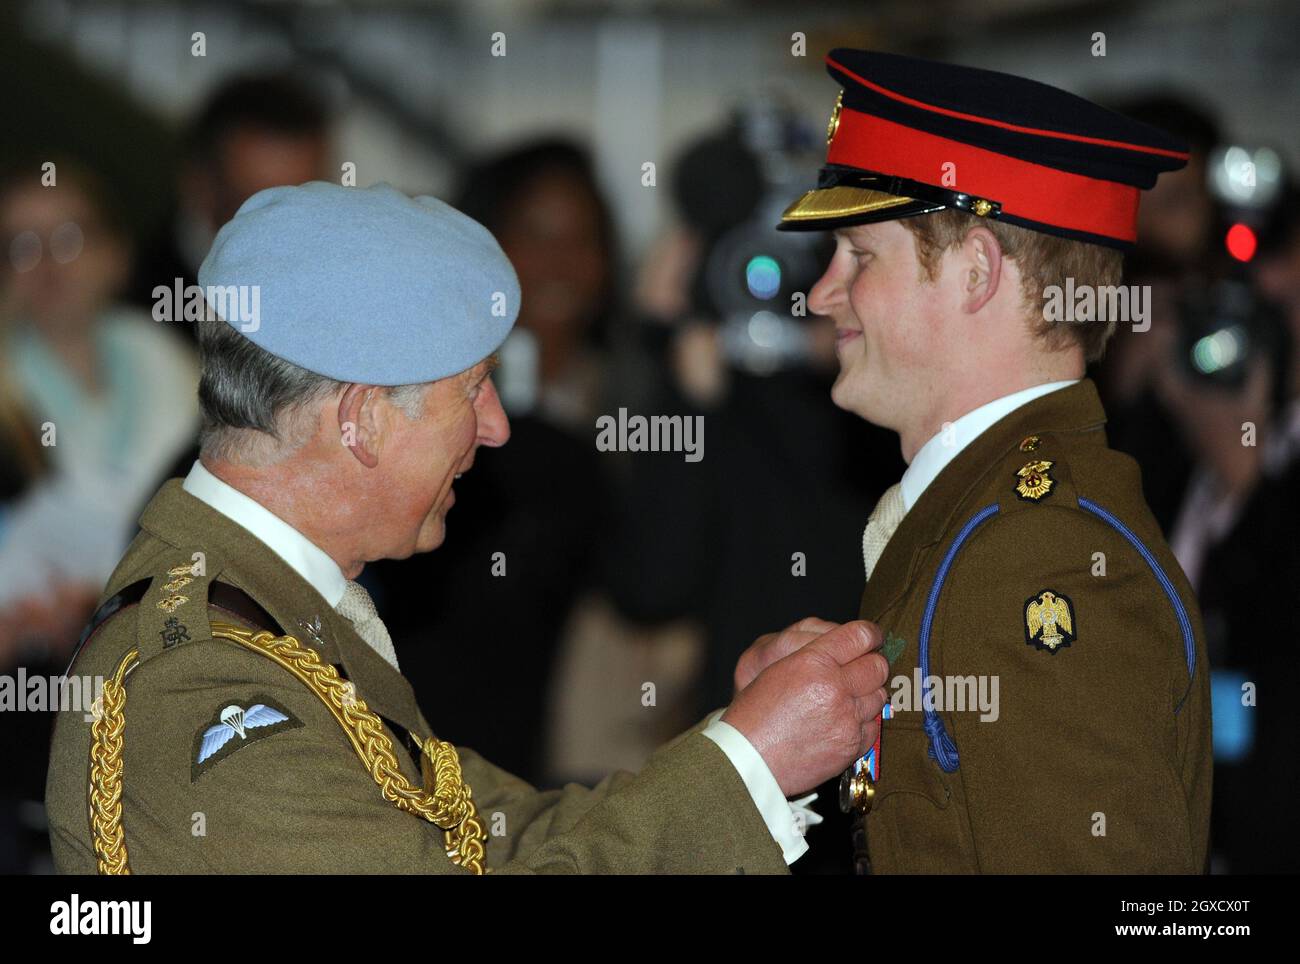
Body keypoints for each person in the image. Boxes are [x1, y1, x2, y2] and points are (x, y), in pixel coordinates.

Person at [45, 180, 890, 874]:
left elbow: (508, 835)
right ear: (362, 419)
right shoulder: (204, 683)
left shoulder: (273, 610)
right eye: (473, 389)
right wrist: (748, 762)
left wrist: (750, 735)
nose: (497, 426)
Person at [776, 49, 1213, 873]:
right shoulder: (979, 521)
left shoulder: (1037, 557)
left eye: (859, 257)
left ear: (977, 272)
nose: (824, 293)